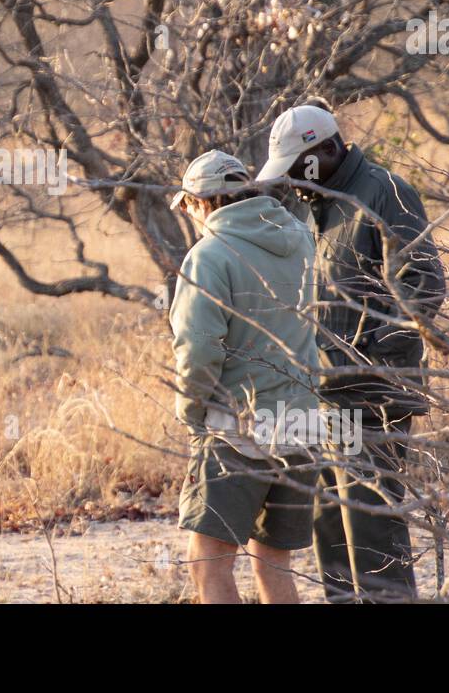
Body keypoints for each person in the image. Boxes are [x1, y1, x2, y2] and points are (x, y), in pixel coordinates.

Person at [256, 103, 446, 603]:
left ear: (327, 149)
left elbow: (422, 288)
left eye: (298, 166)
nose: (293, 180)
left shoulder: (385, 191)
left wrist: (370, 363)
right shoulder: (315, 202)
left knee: (372, 530)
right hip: (323, 397)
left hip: (373, 397)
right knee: (330, 526)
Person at [168, 149, 323, 604]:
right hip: (304, 424)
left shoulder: (209, 256)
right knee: (273, 561)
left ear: (203, 201)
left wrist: (193, 412)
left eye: (190, 206)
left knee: (207, 561)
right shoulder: (299, 238)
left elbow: (198, 351)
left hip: (239, 430)